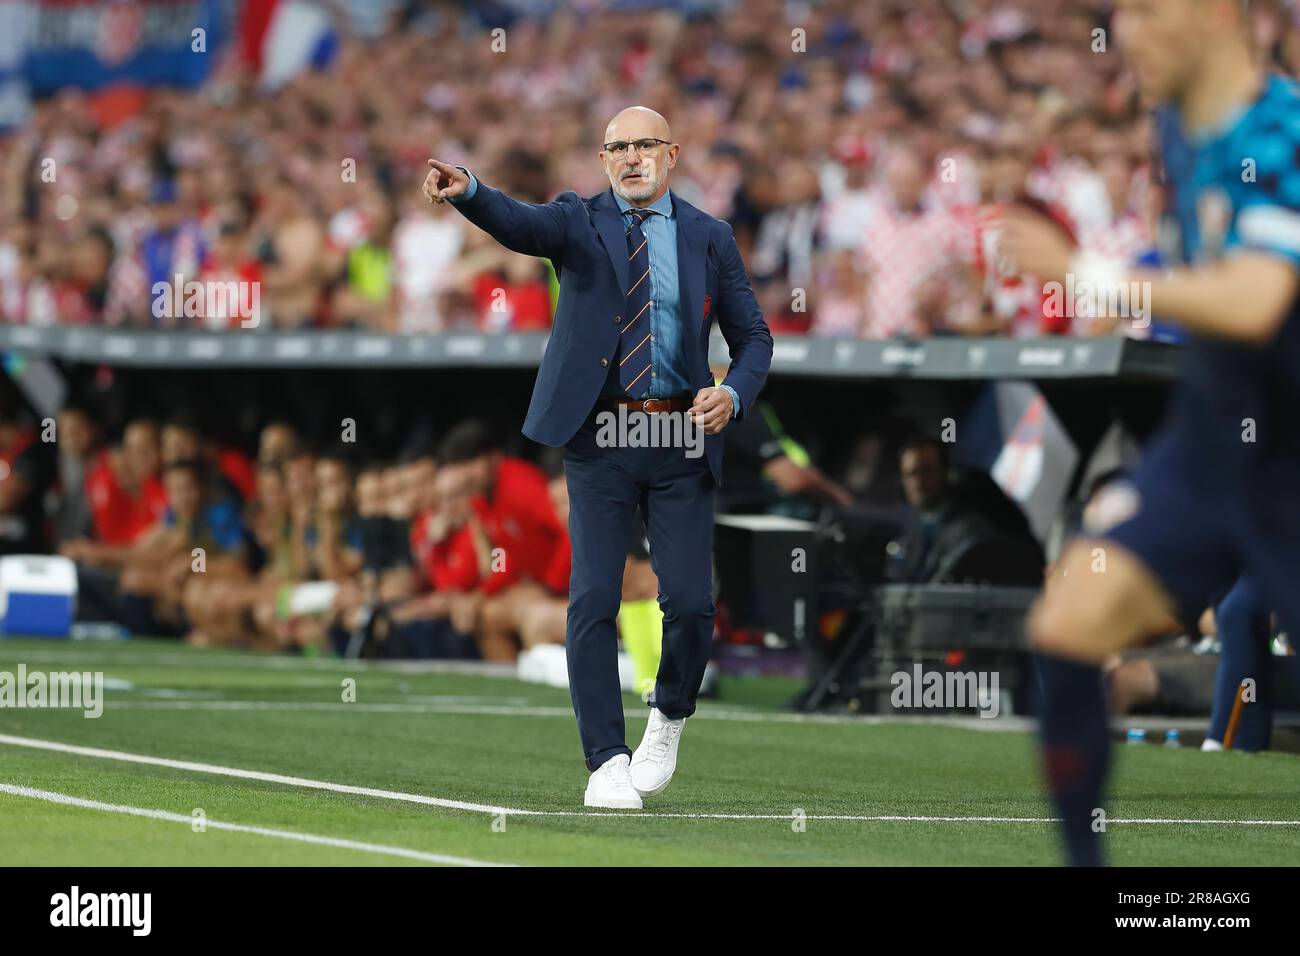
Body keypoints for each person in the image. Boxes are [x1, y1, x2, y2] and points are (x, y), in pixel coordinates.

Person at [1000, 0, 1300, 865]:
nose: (1124, 31)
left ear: (1216, 14)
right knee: (1069, 621)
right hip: (1211, 440)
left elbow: (1254, 299)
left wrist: (1087, 275)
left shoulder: (1277, 132)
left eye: (1146, 9)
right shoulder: (1176, 124)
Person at [424, 105, 773, 808]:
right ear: (604, 158)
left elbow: (754, 337)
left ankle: (669, 712)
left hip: (679, 435)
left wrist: (732, 394)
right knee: (592, 599)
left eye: (645, 145)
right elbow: (518, 224)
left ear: (672, 156)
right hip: (601, 437)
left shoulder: (710, 237)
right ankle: (606, 762)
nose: (632, 158)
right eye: (618, 148)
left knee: (693, 603)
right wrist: (470, 191)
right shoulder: (577, 220)